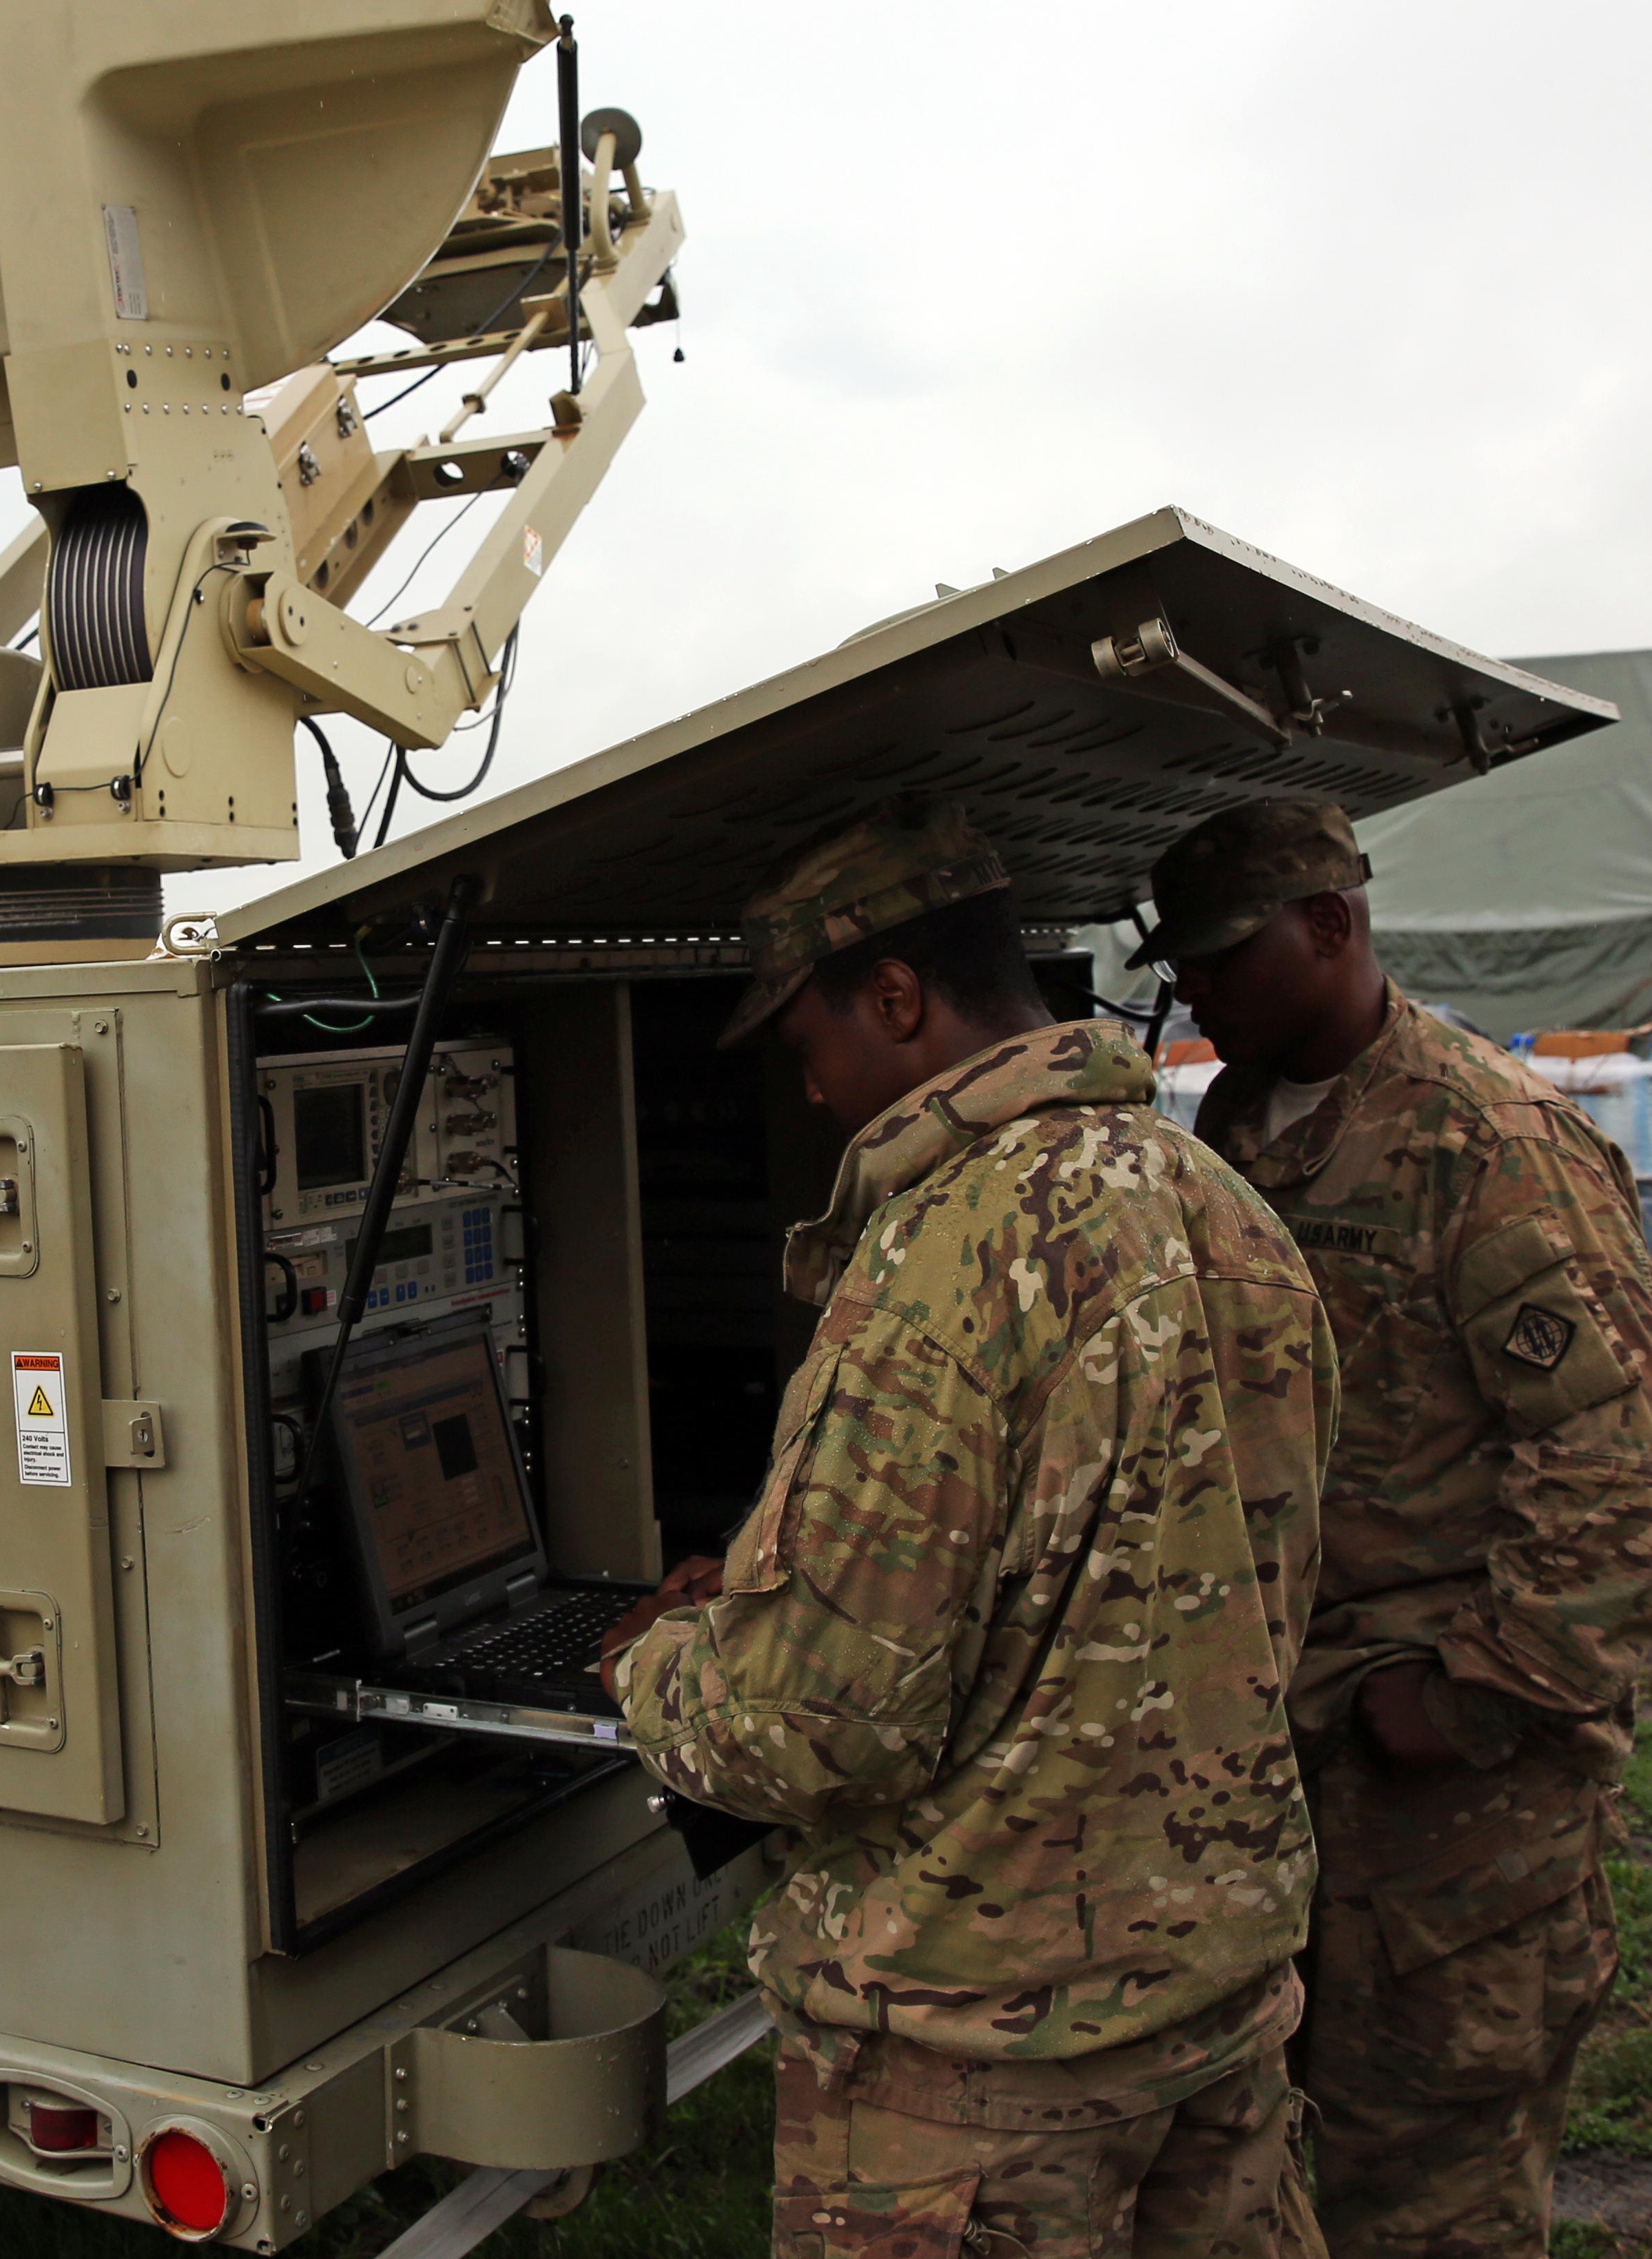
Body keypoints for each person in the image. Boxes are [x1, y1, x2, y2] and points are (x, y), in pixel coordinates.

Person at [606, 799, 1337, 2259]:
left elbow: (823, 1724)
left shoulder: (946, 1259)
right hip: (1217, 1988)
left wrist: (658, 1665)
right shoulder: (1222, 1202)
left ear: (895, 997)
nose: (811, 1093)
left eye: (810, 1044)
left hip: (982, 2061)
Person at [1137, 800, 1652, 2259]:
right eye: (1179, 961)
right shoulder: (1239, 1123)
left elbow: (1621, 1448)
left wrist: (1484, 1689)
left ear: (1331, 926)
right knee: (1256, 2143)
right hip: (1281, 1734)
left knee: (1430, 2172)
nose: (1193, 989)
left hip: (1444, 1779)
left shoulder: (1487, 1141)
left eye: (1221, 953)